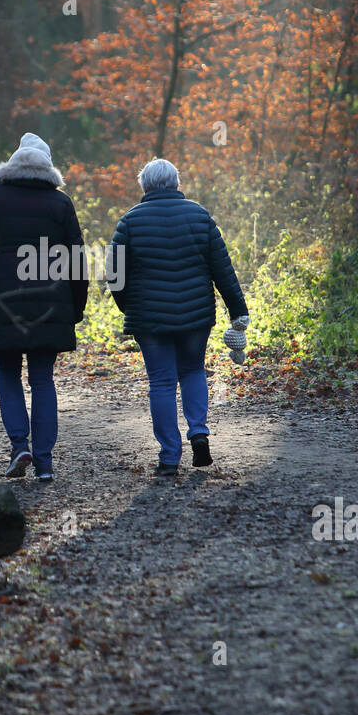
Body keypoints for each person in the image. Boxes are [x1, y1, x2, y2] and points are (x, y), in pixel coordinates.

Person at [0, 133, 87, 481]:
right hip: (50, 304)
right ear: (48, 166)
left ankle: (19, 445)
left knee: (8, 372)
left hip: (3, 302)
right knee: (43, 379)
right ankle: (44, 462)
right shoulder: (60, 204)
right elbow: (77, 261)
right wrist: (76, 306)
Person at [108, 158, 248, 476]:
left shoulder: (129, 222)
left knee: (161, 382)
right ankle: (198, 432)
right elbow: (222, 269)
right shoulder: (200, 217)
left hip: (149, 318)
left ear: (145, 186)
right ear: (176, 183)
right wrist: (238, 310)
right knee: (193, 371)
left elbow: (114, 275)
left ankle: (170, 457)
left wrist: (127, 305)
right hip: (196, 315)